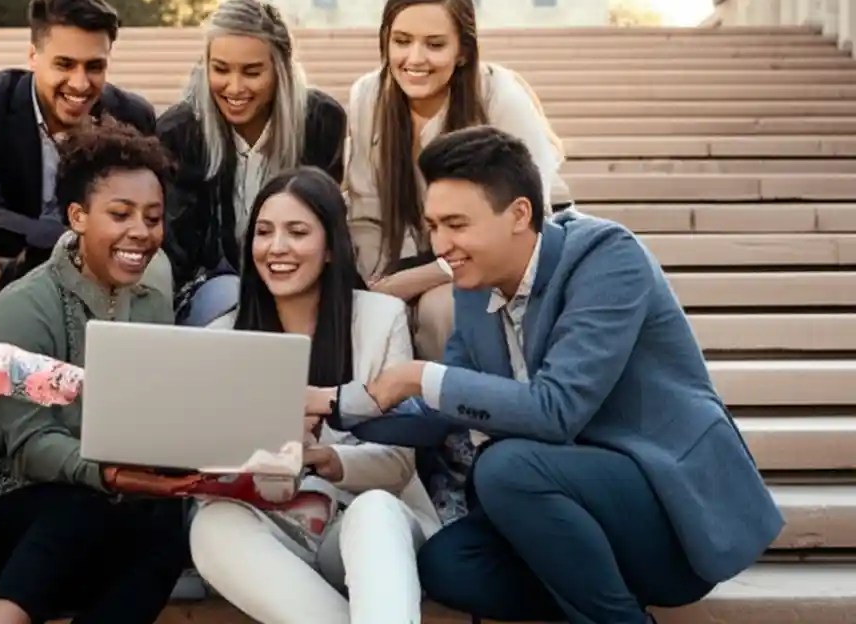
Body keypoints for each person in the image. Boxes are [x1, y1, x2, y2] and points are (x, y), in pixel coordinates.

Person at [318, 126, 783, 624]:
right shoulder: (474, 288)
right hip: (568, 517)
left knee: (506, 468)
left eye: (456, 224)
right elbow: (443, 405)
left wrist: (413, 374)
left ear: (520, 214)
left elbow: (556, 410)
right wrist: (335, 406)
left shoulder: (606, 257)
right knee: (449, 564)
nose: (442, 245)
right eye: (433, 226)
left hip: (666, 513)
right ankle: (587, 596)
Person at [0, 118, 189, 624]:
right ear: (77, 216)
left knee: (167, 527)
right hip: (4, 521)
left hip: (109, 507)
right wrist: (115, 476)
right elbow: (32, 448)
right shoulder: (23, 307)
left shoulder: (155, 293)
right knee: (80, 506)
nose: (141, 232)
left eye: (153, 217)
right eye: (120, 214)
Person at [188, 167, 445, 624]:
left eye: (298, 232)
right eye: (264, 232)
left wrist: (324, 456)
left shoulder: (380, 318)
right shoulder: (222, 335)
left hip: (363, 521)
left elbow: (398, 461)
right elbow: (210, 473)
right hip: (275, 524)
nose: (277, 248)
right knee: (211, 525)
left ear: (330, 248)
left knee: (374, 512)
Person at [0, 0, 166, 337]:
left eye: (94, 66)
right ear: (33, 57)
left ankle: (137, 378)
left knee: (157, 266)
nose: (80, 83)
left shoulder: (131, 115)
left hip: (93, 255)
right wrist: (70, 238)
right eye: (64, 64)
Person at [344, 0, 573, 360]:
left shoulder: (499, 98)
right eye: (401, 41)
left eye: (434, 44)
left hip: (505, 267)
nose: (414, 59)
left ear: (462, 50)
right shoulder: (368, 96)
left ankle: (467, 417)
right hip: (410, 261)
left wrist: (419, 278)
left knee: (441, 307)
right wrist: (380, 284)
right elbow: (367, 215)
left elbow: (531, 231)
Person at [159, 0, 347, 326]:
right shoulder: (180, 131)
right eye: (220, 70)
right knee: (233, 298)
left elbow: (327, 223)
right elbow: (178, 247)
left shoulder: (321, 121)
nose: (234, 87)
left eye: (251, 72)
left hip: (301, 275)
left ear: (281, 69)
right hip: (213, 283)